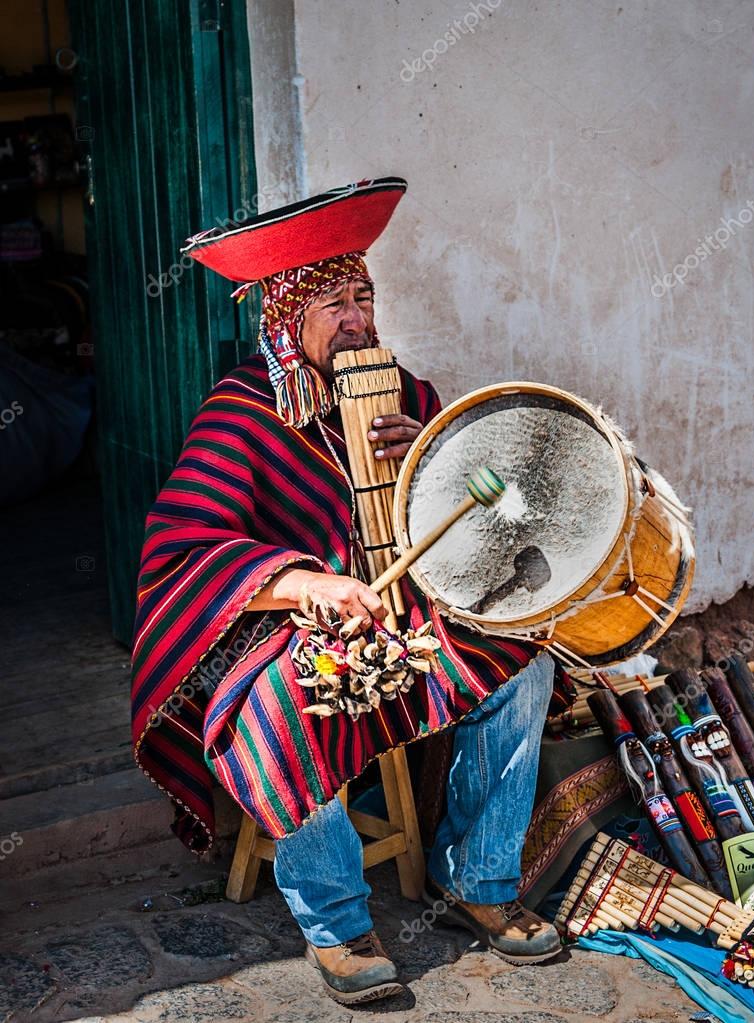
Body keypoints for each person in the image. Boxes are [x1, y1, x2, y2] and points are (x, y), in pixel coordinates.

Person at [131, 177, 560, 1005]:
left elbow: (499, 501)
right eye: (335, 304)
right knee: (290, 703)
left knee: (522, 655)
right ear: (290, 320)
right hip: (285, 628)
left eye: (364, 296)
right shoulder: (241, 409)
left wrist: (433, 456)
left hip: (405, 612)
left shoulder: (401, 393)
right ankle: (336, 923)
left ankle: (479, 877)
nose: (360, 319)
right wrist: (302, 583)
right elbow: (180, 544)